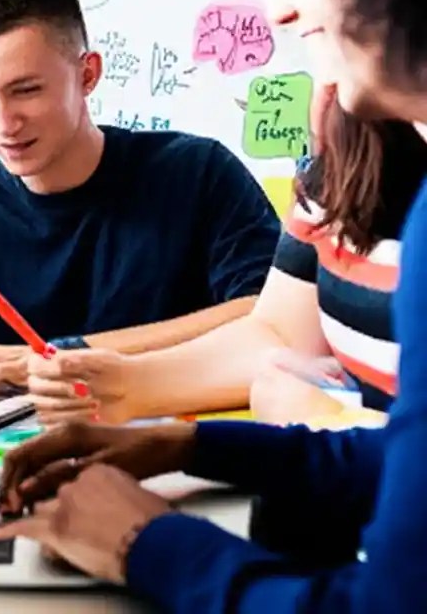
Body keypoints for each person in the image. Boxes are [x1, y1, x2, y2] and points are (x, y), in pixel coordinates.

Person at [0, 0, 427, 611]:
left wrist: (146, 544)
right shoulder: (351, 155)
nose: (279, 10)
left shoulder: (193, 171)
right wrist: (193, 444)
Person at [0, 0, 281, 401]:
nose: (3, 123)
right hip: (22, 453)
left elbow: (264, 316)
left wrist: (54, 358)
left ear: (87, 75)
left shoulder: (198, 173)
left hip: (174, 442)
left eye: (26, 90)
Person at [22, 87, 427, 426]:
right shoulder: (341, 169)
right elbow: (280, 333)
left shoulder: (196, 169)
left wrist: (327, 419)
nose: (280, 11)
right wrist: (126, 383)